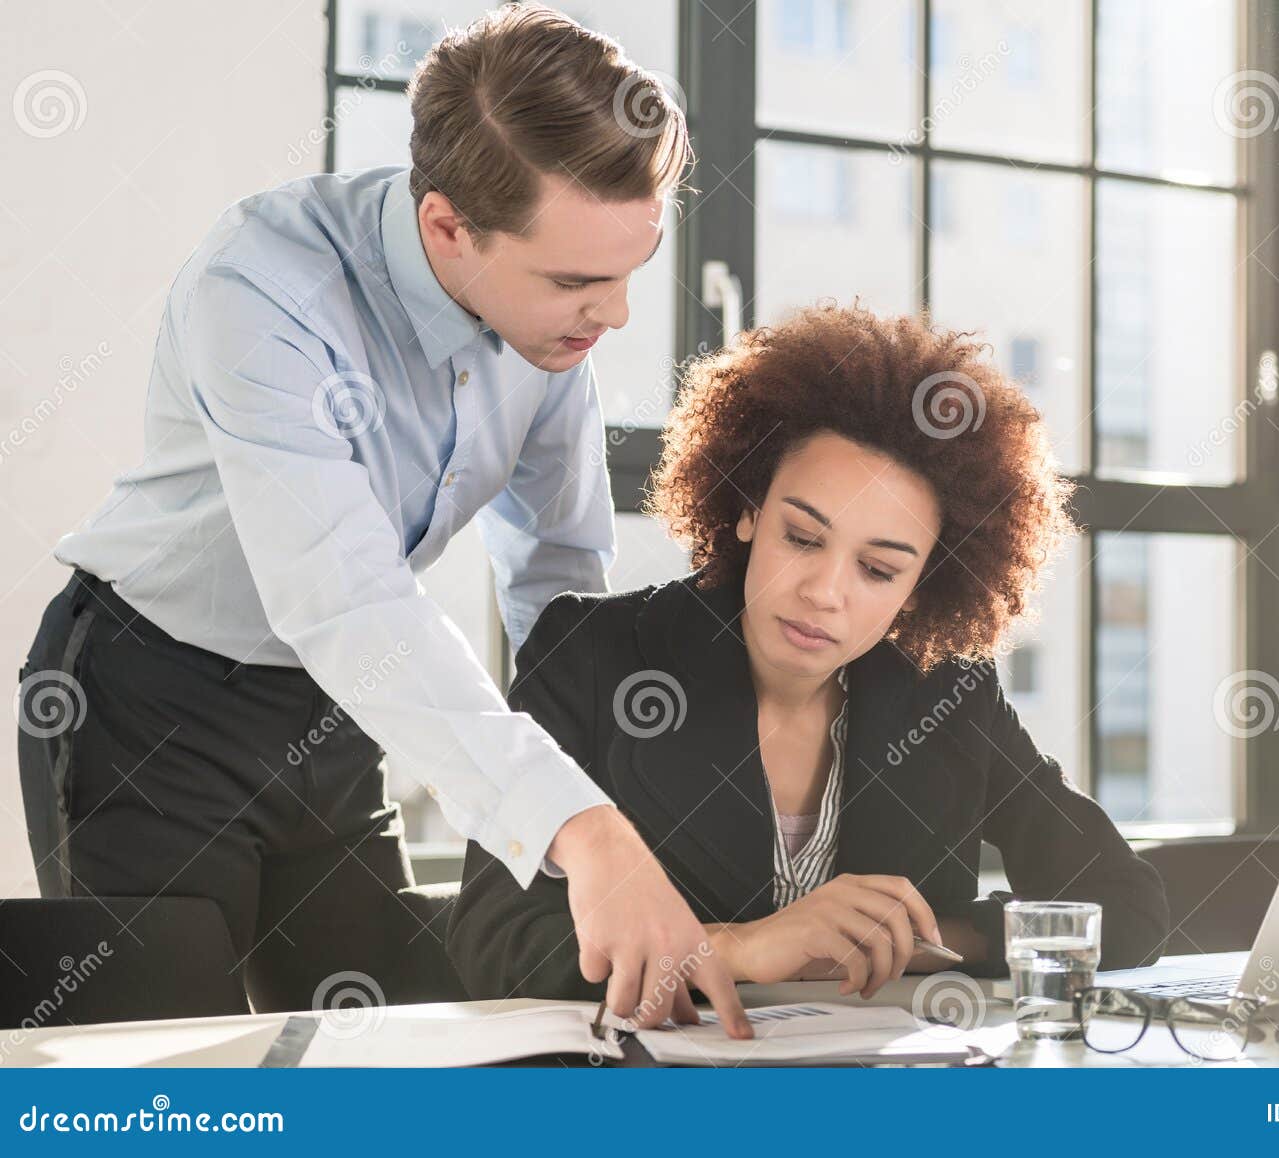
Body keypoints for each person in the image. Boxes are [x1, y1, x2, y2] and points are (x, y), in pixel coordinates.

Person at [13, 4, 748, 1035]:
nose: (615, 315)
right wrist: (583, 830)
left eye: (630, 271)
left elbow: (560, 581)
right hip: (148, 701)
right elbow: (346, 598)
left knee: (391, 1035)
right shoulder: (263, 289)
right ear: (450, 226)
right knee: (176, 1070)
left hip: (333, 713)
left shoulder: (549, 331)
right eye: (578, 280)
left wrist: (623, 789)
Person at [447, 303, 1171, 1005]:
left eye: (879, 570)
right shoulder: (593, 655)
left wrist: (929, 941)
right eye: (802, 537)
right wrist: (738, 947)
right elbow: (495, 941)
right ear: (747, 511)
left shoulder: (949, 694)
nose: (826, 592)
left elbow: (1125, 906)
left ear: (921, 589)